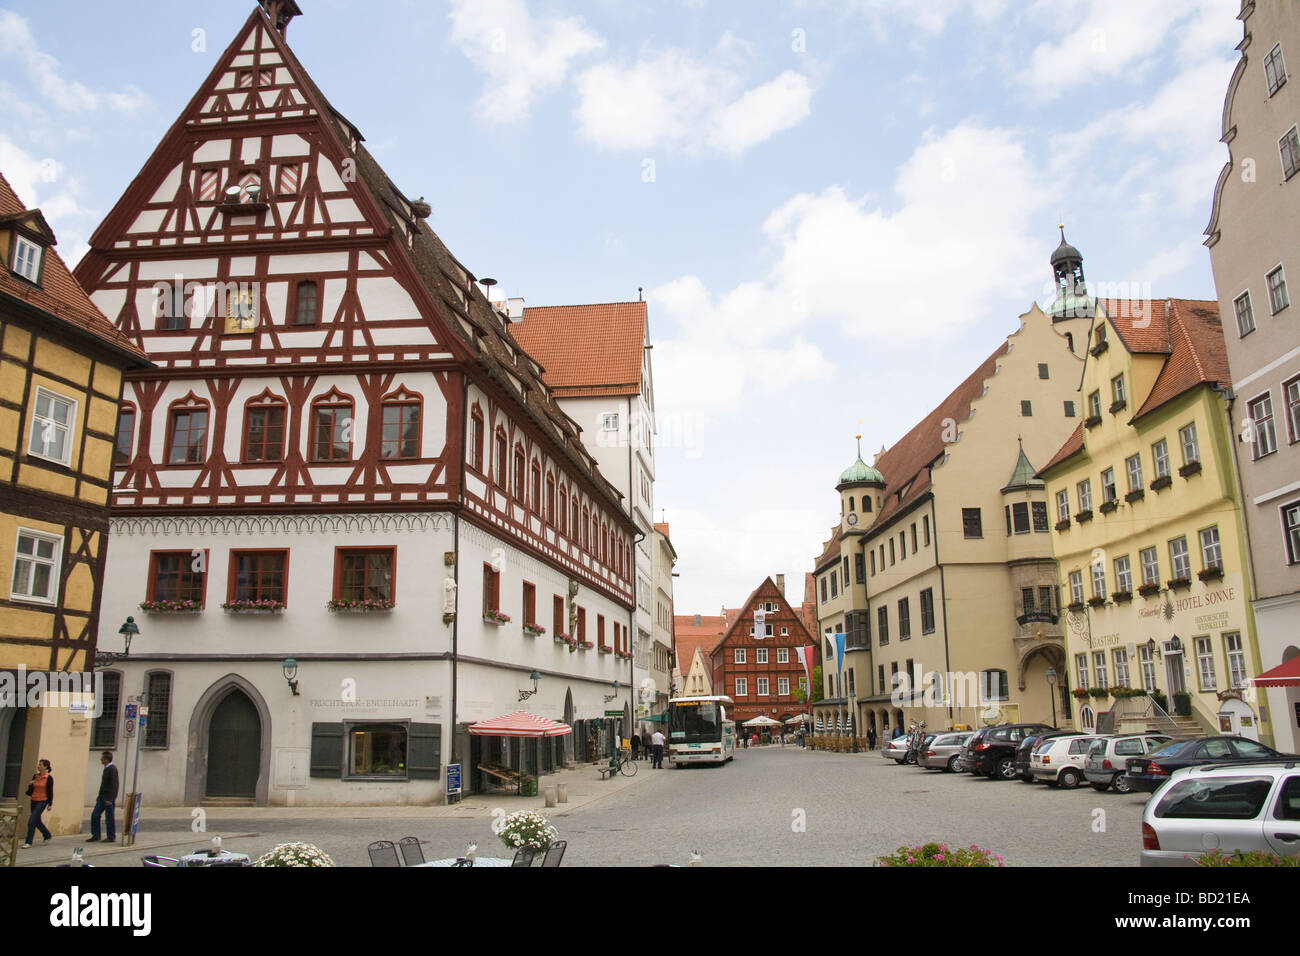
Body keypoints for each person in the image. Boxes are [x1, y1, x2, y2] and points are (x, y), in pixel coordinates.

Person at [21, 758, 54, 848]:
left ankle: (28, 842)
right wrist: (30, 784)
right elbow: (31, 788)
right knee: (37, 820)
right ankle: (47, 834)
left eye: (40, 765)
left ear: (45, 767)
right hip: (34, 800)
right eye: (38, 764)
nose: (38, 766)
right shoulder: (36, 776)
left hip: (43, 800)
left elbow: (50, 791)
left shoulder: (48, 778)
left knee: (31, 821)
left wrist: (50, 804)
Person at [88, 750, 118, 844]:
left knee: (109, 817)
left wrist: (110, 798)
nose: (101, 759)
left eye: (102, 758)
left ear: (106, 759)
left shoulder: (112, 769)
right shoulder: (107, 768)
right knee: (95, 815)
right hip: (102, 797)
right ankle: (96, 835)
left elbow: (114, 785)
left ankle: (111, 836)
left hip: (108, 798)